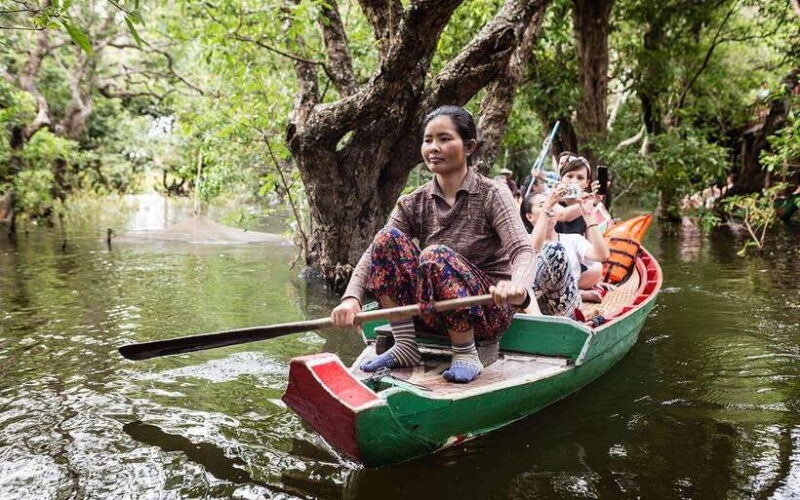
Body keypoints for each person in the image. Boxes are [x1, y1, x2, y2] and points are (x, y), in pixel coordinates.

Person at [330, 105, 535, 384]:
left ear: (470, 146)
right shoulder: (413, 201)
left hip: (486, 310)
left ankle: (465, 352)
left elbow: (522, 250)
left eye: (444, 139)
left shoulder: (492, 194)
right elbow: (373, 255)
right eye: (428, 140)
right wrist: (351, 299)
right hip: (432, 310)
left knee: (434, 255)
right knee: (386, 239)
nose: (433, 148)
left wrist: (518, 286)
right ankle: (404, 346)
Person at [524, 189, 610, 318]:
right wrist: (547, 208)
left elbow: (602, 255)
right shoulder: (522, 239)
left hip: (564, 309)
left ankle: (526, 305)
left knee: (556, 250)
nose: (551, 208)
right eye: (543, 205)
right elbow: (531, 252)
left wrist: (588, 216)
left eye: (553, 205)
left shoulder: (572, 239)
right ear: (530, 217)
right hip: (533, 302)